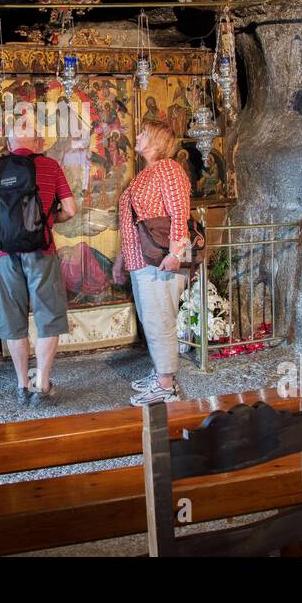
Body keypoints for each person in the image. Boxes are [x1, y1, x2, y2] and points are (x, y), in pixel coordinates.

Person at [0, 129, 76, 406]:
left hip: (3, 254)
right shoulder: (49, 166)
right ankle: (42, 385)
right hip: (41, 250)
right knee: (48, 316)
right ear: (35, 142)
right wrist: (49, 220)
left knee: (12, 319)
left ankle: (22, 385)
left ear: (9, 144)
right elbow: (70, 209)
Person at [113, 119, 191, 405]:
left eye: (144, 133)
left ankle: (167, 386)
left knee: (160, 320)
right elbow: (133, 222)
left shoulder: (168, 169)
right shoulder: (146, 174)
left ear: (157, 142)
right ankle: (161, 373)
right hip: (142, 260)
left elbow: (179, 212)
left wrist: (175, 254)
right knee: (152, 318)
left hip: (159, 260)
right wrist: (123, 258)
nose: (138, 135)